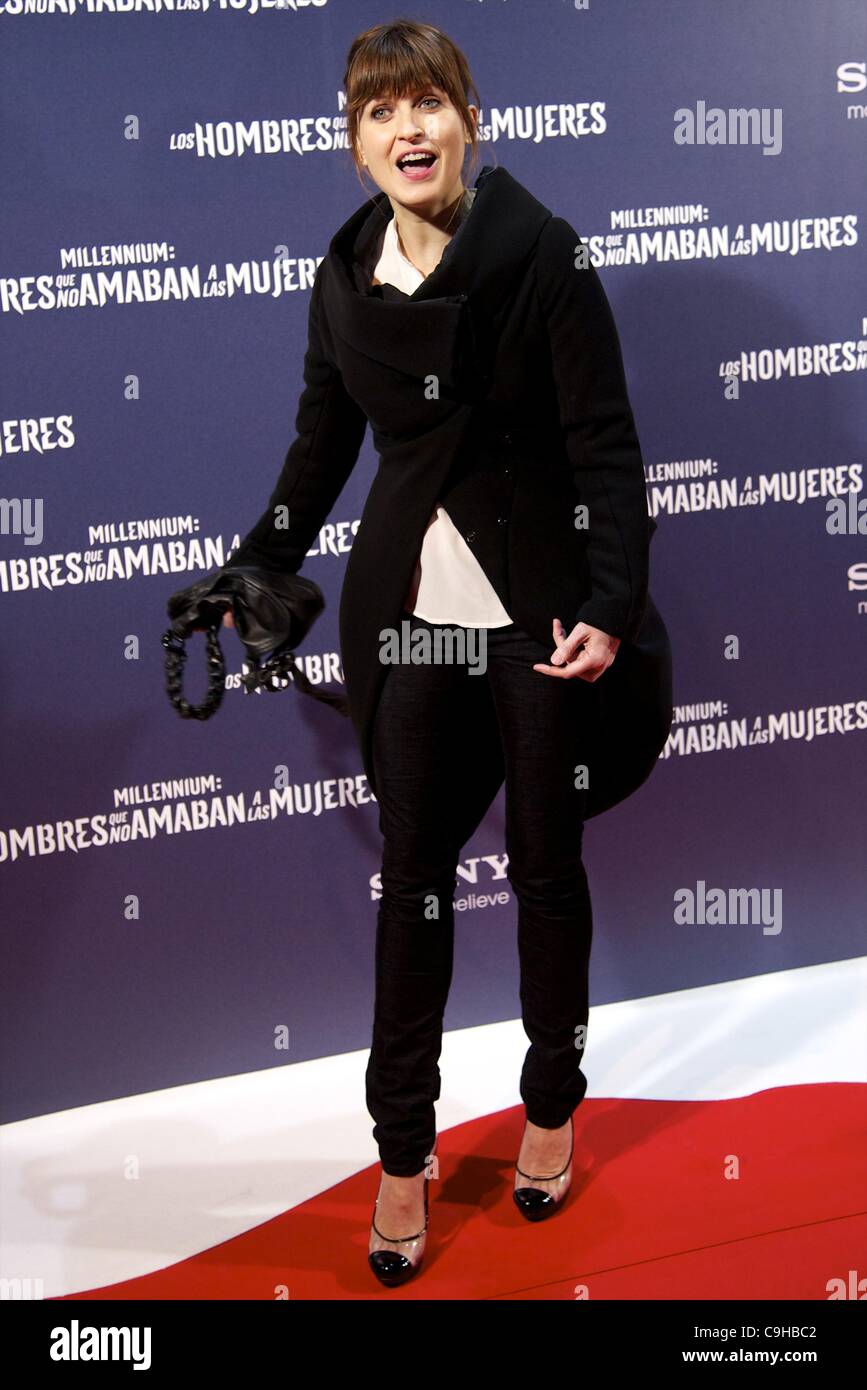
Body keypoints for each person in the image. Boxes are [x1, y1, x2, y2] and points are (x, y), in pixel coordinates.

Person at [221, 19, 666, 1288]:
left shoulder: (545, 257)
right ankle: (402, 1157)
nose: (407, 129)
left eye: (428, 104)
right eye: (380, 113)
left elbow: (607, 448)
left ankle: (548, 1109)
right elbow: (320, 451)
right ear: (354, 146)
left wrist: (612, 598)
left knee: (543, 871)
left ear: (467, 120)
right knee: (413, 883)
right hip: (410, 624)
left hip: (537, 618)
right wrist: (261, 561)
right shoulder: (342, 271)